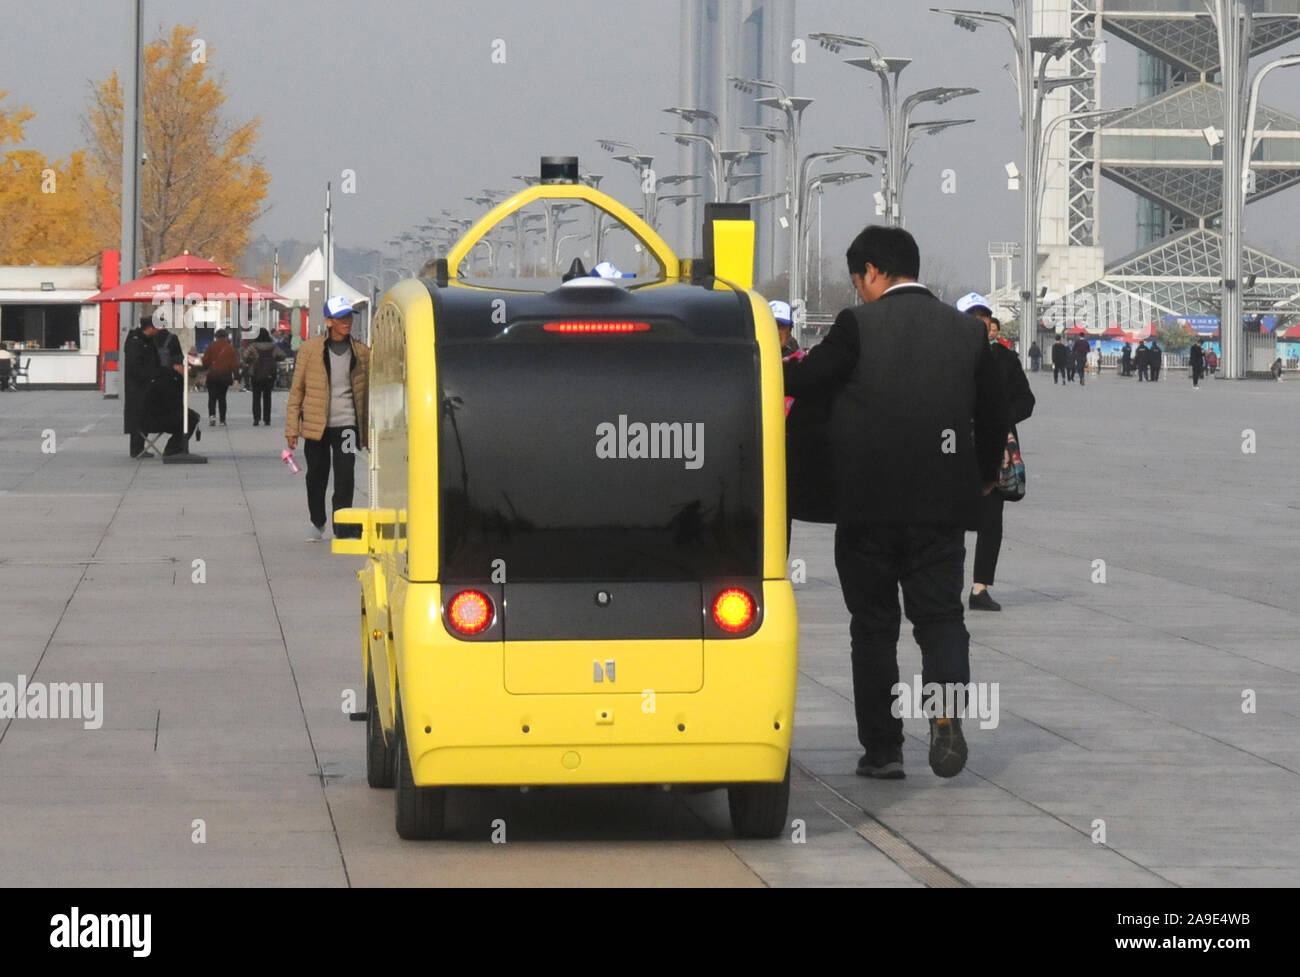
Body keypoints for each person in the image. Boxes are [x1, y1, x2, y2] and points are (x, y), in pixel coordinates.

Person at [783, 230, 1007, 781]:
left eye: (858, 279)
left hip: (867, 507)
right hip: (942, 505)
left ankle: (882, 751)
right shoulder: (966, 333)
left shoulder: (857, 326)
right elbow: (996, 408)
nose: (858, 291)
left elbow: (806, 379)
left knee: (874, 627)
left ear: (874, 272)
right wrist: (981, 477)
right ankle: (946, 712)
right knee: (941, 619)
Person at [955, 295, 1035, 614]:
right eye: (973, 316)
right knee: (948, 520)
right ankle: (944, 583)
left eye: (984, 316)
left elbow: (1026, 400)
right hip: (954, 448)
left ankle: (980, 587)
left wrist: (1000, 418)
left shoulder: (1004, 358)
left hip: (993, 450)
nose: (980, 321)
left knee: (991, 521)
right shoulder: (946, 357)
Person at [285, 297, 370, 541]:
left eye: (349, 317)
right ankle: (318, 521)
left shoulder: (362, 352)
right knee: (316, 476)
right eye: (342, 318)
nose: (347, 322)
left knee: (345, 476)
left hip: (347, 426)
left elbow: (370, 390)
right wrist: (292, 428)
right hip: (316, 427)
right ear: (329, 321)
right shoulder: (310, 350)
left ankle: (343, 527)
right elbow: (297, 391)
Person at [141, 323, 202, 456]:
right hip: (157, 418)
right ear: (177, 366)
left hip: (152, 413)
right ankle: (173, 448)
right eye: (184, 367)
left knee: (189, 416)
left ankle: (175, 447)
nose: (185, 370)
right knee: (190, 418)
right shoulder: (169, 379)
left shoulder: (150, 342)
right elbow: (169, 402)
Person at [123, 314, 165, 458]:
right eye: (157, 327)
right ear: (150, 328)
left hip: (147, 387)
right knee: (137, 417)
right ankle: (136, 449)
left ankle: (140, 447)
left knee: (144, 417)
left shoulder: (148, 340)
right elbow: (134, 367)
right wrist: (150, 378)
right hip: (138, 388)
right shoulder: (136, 342)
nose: (160, 330)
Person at [243, 327, 287, 426]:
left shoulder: (253, 346)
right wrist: (274, 359)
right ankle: (267, 419)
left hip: (256, 374)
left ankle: (256, 418)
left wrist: (252, 360)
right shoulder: (273, 346)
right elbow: (283, 355)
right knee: (267, 397)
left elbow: (245, 356)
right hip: (269, 375)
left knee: (256, 397)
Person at [201, 329, 239, 425]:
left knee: (212, 398)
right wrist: (236, 378)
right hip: (224, 376)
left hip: (212, 375)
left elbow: (205, 361)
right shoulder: (230, 348)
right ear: (226, 337)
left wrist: (206, 367)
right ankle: (222, 420)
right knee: (222, 398)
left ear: (216, 336)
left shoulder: (211, 346)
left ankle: (212, 417)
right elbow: (234, 364)